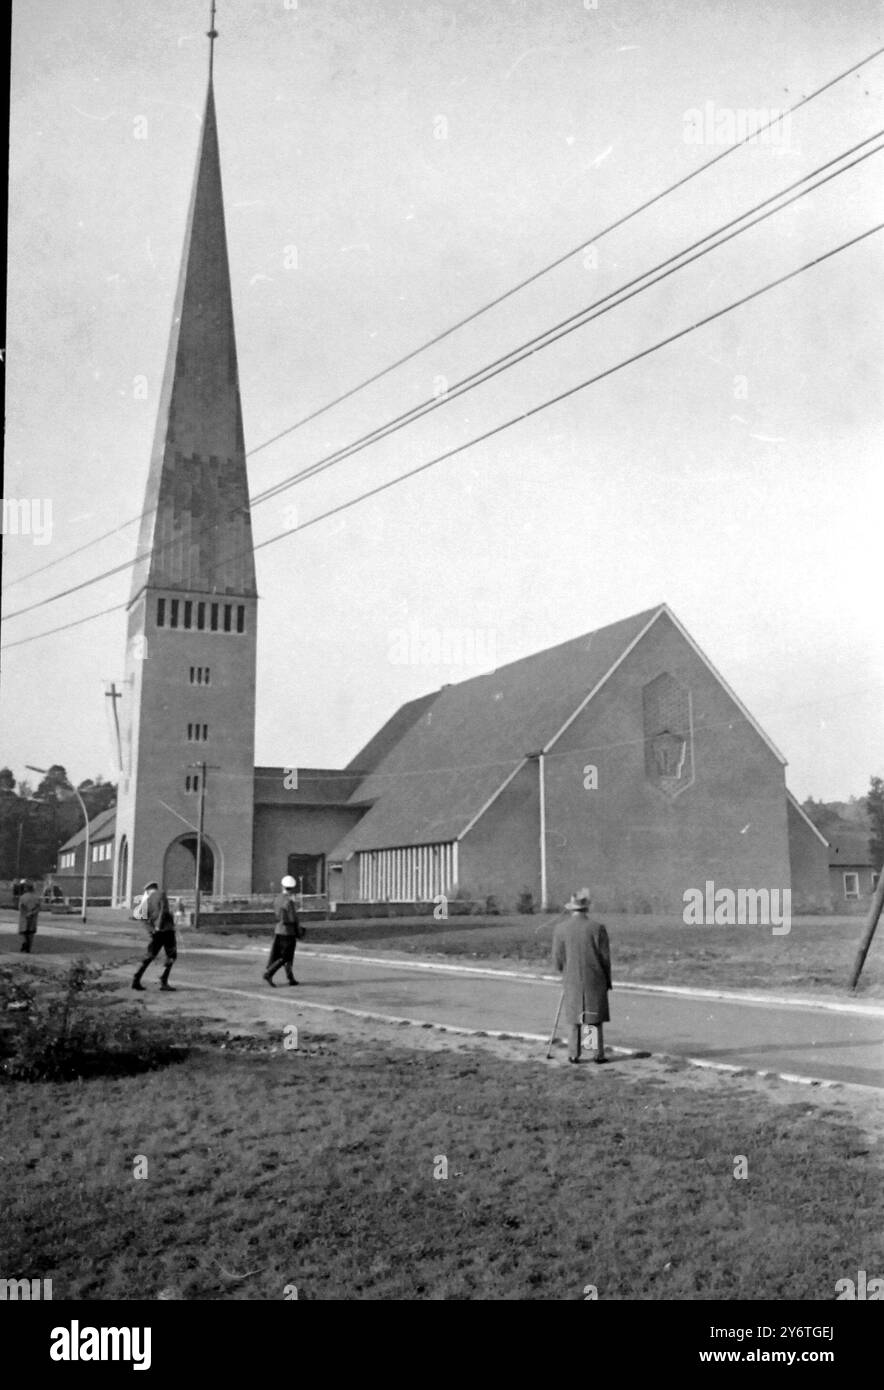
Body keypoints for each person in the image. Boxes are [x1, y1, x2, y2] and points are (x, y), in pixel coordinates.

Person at [552, 887, 612, 1063]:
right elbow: (605, 958)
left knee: (574, 1017)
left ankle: (574, 1054)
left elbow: (557, 959)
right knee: (592, 1016)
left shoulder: (560, 929)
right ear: (586, 908)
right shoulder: (597, 928)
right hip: (595, 977)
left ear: (571, 908)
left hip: (571, 977)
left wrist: (564, 971)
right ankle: (595, 1054)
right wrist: (607, 980)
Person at [132, 881, 178, 991]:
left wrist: (151, 930)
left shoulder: (147, 900)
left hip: (156, 933)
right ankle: (164, 981)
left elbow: (142, 918)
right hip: (166, 930)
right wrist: (160, 925)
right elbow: (163, 911)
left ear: (148, 890)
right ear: (156, 888)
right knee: (172, 955)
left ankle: (136, 979)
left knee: (150, 955)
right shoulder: (161, 894)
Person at [263, 875, 305, 986]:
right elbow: (292, 918)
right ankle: (269, 973)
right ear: (292, 888)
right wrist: (298, 928)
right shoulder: (289, 901)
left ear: (283, 886)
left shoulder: (277, 899)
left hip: (279, 929)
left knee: (283, 954)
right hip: (288, 931)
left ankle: (290, 977)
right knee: (286, 956)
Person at [17, 880, 41, 954]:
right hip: (33, 918)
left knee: (24, 932)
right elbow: (38, 907)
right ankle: (29, 947)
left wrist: (26, 913)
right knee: (31, 933)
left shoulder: (23, 897)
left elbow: (20, 907)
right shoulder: (36, 897)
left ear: (26, 888)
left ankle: (25, 943)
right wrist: (32, 913)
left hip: (24, 917)